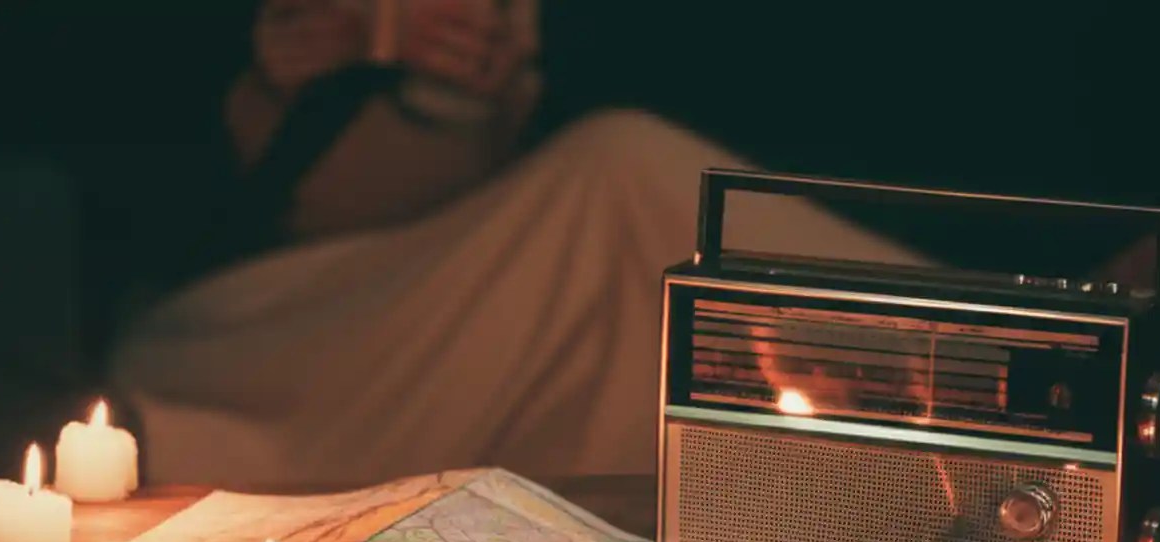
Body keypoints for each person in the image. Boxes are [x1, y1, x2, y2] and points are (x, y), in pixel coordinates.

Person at [109, 1, 1057, 491]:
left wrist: (489, 83)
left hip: (497, 280)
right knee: (619, 168)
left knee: (625, 187)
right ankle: (1025, 348)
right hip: (266, 330)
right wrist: (298, 66)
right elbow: (160, 180)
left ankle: (1010, 352)